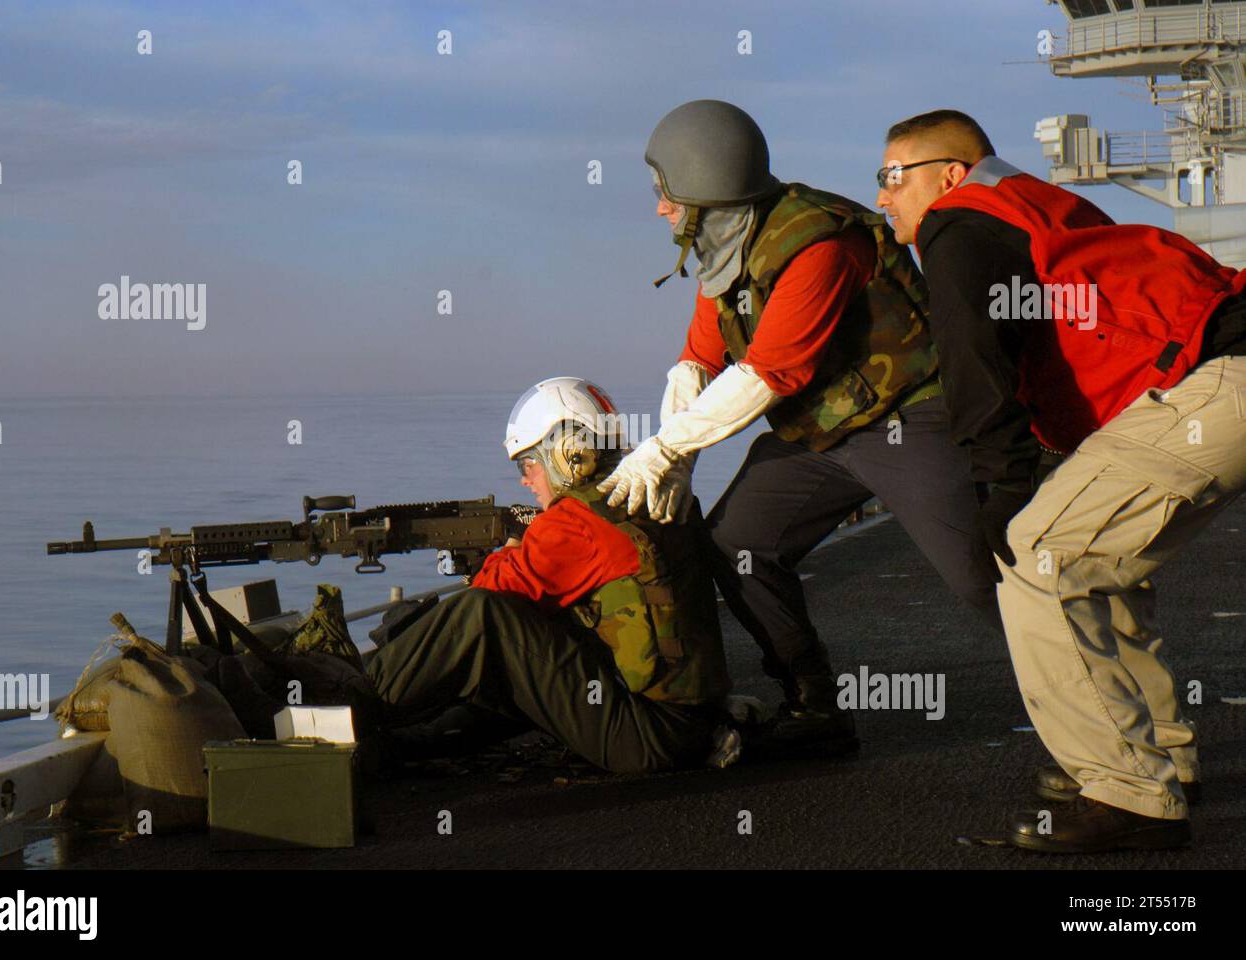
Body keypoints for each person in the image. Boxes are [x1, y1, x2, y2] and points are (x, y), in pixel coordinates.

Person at [878, 108, 1246, 852]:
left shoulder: (956, 225)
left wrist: (1002, 492)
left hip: (1216, 382)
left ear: (948, 175)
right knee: (1101, 559)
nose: (882, 197)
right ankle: (1159, 758)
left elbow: (973, 362)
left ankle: (1131, 794)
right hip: (1218, 373)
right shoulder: (1038, 205)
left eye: (892, 177)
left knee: (1042, 555)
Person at [597, 99, 1002, 753]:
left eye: (664, 193)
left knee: (984, 577)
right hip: (823, 434)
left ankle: (1107, 712)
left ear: (704, 187)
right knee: (737, 545)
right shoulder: (726, 251)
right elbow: (698, 365)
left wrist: (665, 449)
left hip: (910, 420)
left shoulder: (818, 243)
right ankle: (814, 707)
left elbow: (768, 375)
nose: (660, 209)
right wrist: (676, 461)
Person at [362, 377, 735, 774]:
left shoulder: (578, 521)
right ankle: (410, 740)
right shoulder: (650, 491)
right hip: (692, 722)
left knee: (482, 614)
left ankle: (354, 701)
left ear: (567, 455)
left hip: (647, 736)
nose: (525, 480)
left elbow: (489, 598)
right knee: (535, 632)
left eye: (529, 463)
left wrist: (506, 551)